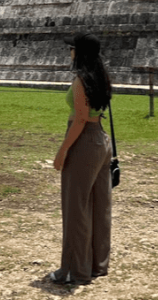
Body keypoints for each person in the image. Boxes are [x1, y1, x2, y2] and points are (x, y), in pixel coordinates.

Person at [48, 33, 113, 286]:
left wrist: (63, 150)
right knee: (99, 205)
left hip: (84, 142)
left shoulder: (80, 81)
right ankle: (97, 264)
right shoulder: (102, 77)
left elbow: (80, 118)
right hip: (101, 140)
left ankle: (75, 270)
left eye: (72, 48)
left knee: (76, 208)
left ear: (80, 53)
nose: (70, 52)